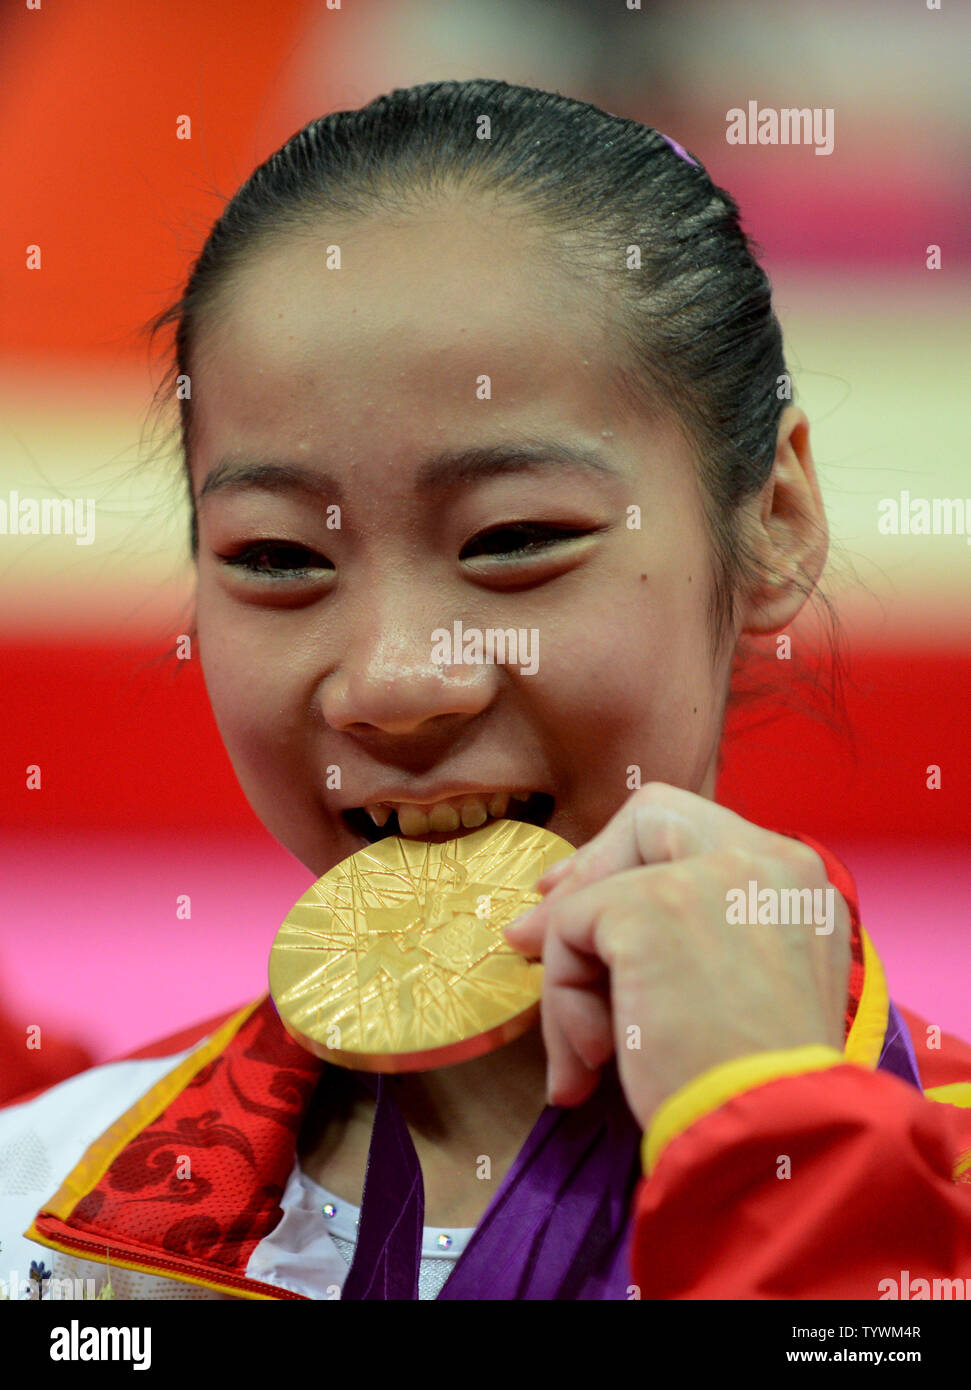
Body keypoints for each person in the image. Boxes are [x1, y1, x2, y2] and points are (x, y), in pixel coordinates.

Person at [1, 78, 969, 1302]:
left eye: (512, 538)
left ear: (771, 518)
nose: (396, 683)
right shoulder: (42, 1213)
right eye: (278, 556)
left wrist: (779, 1145)